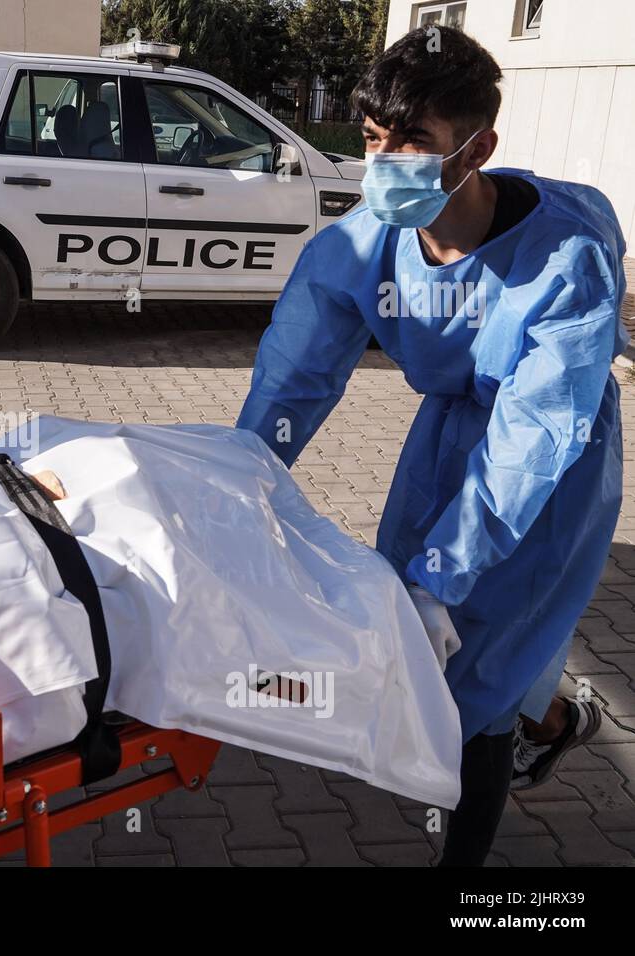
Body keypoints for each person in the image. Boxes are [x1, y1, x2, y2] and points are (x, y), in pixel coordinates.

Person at [235, 27, 627, 866]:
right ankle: (557, 717)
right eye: (375, 140)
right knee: (440, 635)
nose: (385, 165)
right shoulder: (359, 244)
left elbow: (534, 437)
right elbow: (291, 380)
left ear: (478, 147)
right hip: (445, 437)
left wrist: (445, 574)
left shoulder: (566, 261)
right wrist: (237, 480)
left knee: (473, 685)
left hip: (556, 460)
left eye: (414, 143)